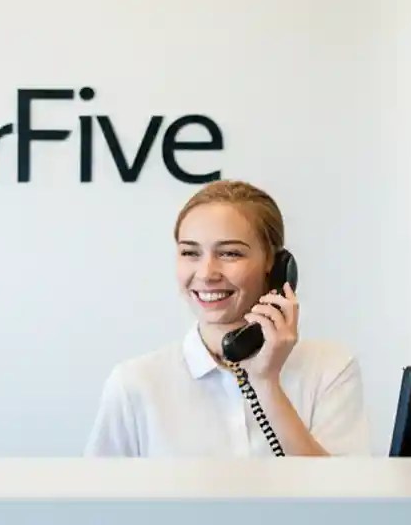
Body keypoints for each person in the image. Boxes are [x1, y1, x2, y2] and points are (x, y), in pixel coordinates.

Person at [84, 179, 371, 457]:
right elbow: (98, 491)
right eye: (190, 252)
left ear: (275, 264)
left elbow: (342, 490)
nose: (207, 273)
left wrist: (266, 384)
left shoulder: (329, 369)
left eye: (230, 253)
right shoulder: (135, 384)